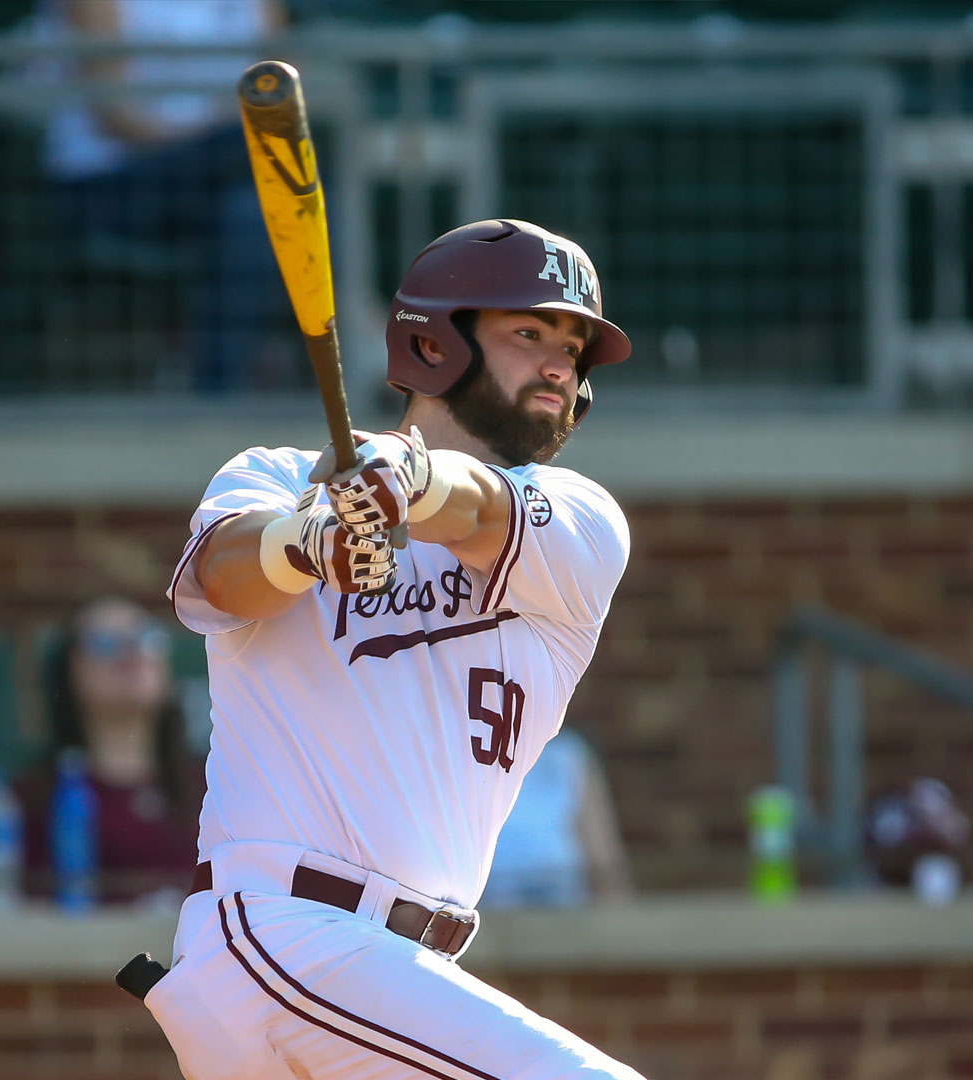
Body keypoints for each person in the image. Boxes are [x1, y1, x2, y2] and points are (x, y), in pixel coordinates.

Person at [147, 219, 645, 1079]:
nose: (559, 367)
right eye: (529, 335)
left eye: (573, 348)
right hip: (283, 934)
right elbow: (220, 580)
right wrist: (308, 542)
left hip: (400, 972)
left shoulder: (585, 520)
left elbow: (477, 506)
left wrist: (408, 480)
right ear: (434, 344)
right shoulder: (280, 477)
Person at [31, 0, 288, 392]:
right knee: (259, 149)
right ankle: (361, 320)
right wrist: (213, 140)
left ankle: (217, 397)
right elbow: (117, 118)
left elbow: (280, 84)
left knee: (249, 213)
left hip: (215, 181)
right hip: (110, 179)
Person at [14, 597, 200, 908]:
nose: (132, 652)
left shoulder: (215, 785)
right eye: (105, 642)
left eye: (147, 637)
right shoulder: (31, 798)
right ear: (68, 672)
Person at [478, 726, 632, 910]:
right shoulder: (470, 744)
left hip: (560, 884)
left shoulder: (570, 752)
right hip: (491, 889)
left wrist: (618, 909)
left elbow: (599, 843)